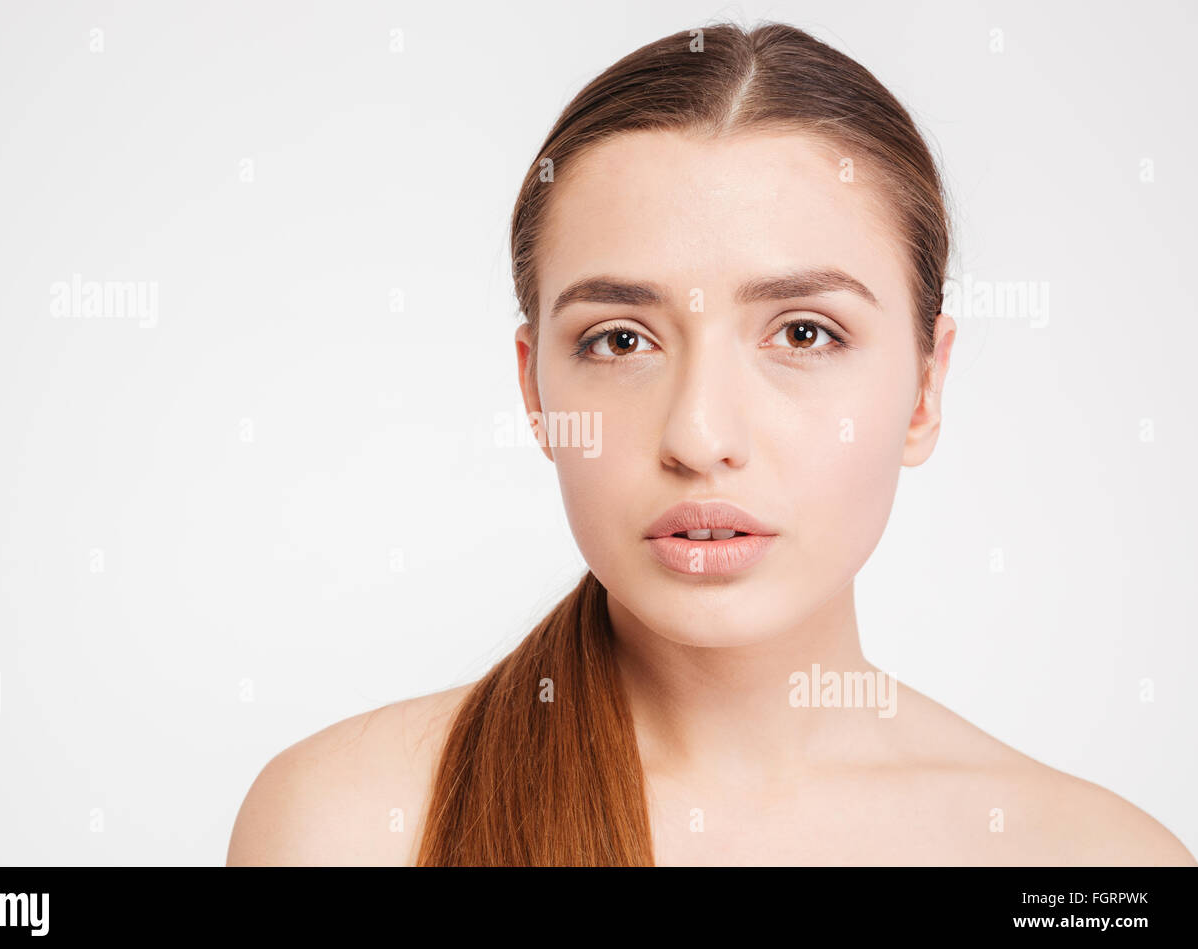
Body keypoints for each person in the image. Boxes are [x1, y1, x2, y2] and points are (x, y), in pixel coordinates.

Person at [227, 20, 1195, 866]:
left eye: (803, 332)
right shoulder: (344, 830)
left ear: (924, 387)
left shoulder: (1096, 867)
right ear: (532, 386)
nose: (699, 435)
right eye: (619, 340)